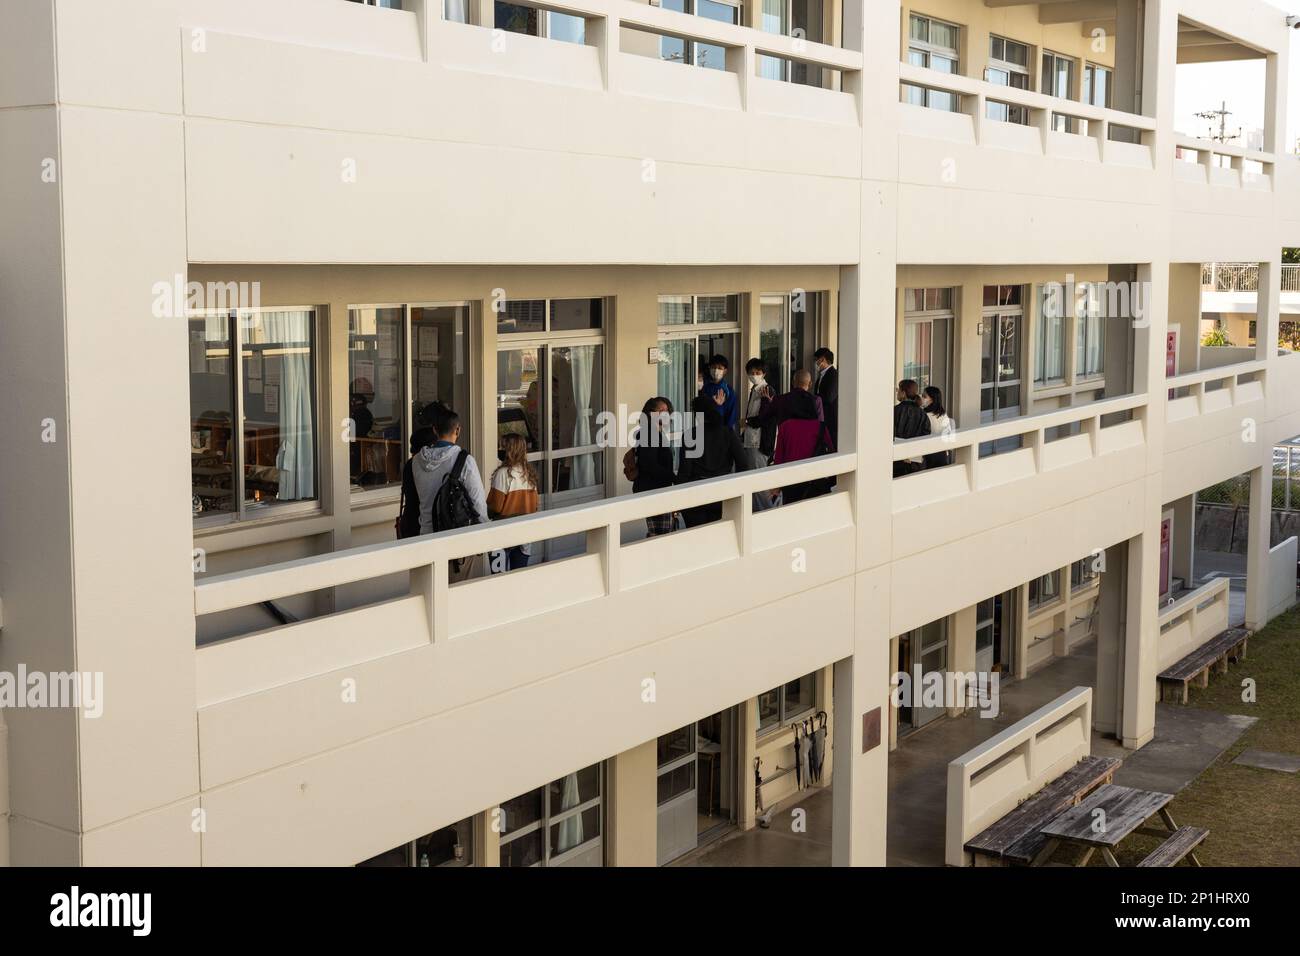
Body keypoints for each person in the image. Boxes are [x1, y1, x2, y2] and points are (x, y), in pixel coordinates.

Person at [410, 405, 489, 577]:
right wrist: (485, 535)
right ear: (458, 430)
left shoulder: (416, 462)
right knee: (463, 593)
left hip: (426, 536)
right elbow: (478, 503)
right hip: (458, 540)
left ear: (434, 430)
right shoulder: (465, 460)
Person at [678, 394, 750, 527]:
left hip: (696, 493)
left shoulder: (690, 435)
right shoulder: (727, 432)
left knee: (697, 538)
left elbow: (684, 471)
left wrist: (678, 499)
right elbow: (743, 463)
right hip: (722, 490)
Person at [773, 382, 833, 504]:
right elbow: (830, 451)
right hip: (815, 480)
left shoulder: (786, 426)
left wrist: (776, 484)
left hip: (791, 481)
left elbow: (779, 458)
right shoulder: (820, 426)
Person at [487, 433, 540, 571]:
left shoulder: (503, 474)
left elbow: (495, 507)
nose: (500, 449)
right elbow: (535, 507)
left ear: (509, 451)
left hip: (501, 536)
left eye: (502, 447)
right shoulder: (529, 474)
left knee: (499, 580)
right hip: (524, 536)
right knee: (519, 579)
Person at [631, 397, 678, 536]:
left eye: (667, 410)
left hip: (658, 489)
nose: (665, 413)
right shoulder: (648, 433)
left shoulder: (656, 432)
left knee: (663, 532)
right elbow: (649, 464)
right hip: (653, 491)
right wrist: (673, 477)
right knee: (660, 535)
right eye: (660, 410)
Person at [739, 359, 776, 469]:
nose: (754, 375)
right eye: (751, 373)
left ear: (764, 374)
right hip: (751, 438)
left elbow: (764, 418)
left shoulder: (767, 390)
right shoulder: (755, 389)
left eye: (757, 373)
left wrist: (746, 421)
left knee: (758, 471)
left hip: (761, 441)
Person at [893, 379, 931, 477]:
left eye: (898, 390)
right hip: (917, 462)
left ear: (904, 393)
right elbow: (926, 436)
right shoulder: (922, 414)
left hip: (897, 462)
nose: (897, 392)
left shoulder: (894, 411)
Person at [921, 385, 955, 469]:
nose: (921, 398)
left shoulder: (923, 415)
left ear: (932, 399)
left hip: (928, 453)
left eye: (924, 396)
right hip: (942, 452)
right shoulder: (943, 414)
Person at [700, 354, 738, 429]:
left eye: (720, 368)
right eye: (713, 367)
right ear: (709, 368)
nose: (716, 370)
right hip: (704, 427)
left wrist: (725, 432)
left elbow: (732, 414)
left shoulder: (728, 390)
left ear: (725, 371)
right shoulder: (704, 387)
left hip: (720, 429)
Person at [812, 348, 839, 449]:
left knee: (832, 446)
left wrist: (813, 400)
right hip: (822, 418)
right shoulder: (821, 376)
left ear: (823, 359)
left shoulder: (834, 375)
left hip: (831, 419)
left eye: (817, 360)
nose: (816, 363)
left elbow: (829, 397)